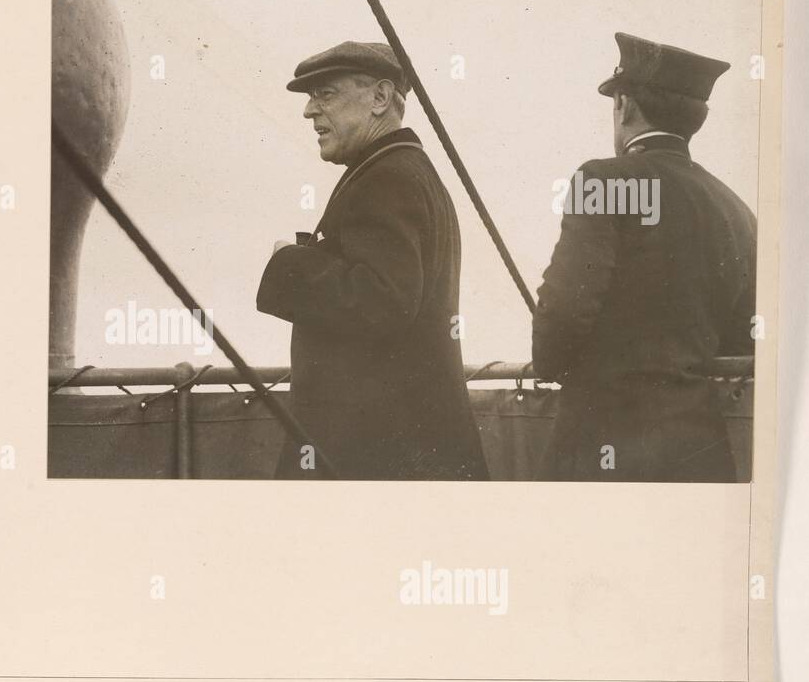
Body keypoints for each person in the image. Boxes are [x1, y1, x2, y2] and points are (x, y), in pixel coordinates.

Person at [256, 41, 488, 480]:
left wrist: (289, 262)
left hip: (375, 458)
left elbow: (384, 301)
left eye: (325, 94)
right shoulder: (404, 170)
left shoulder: (386, 177)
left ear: (381, 98)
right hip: (408, 453)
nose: (309, 111)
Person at [532, 32, 757, 482]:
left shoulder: (606, 181)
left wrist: (551, 365)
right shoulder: (736, 210)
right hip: (700, 455)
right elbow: (743, 339)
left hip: (604, 446)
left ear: (624, 106)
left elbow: (566, 306)